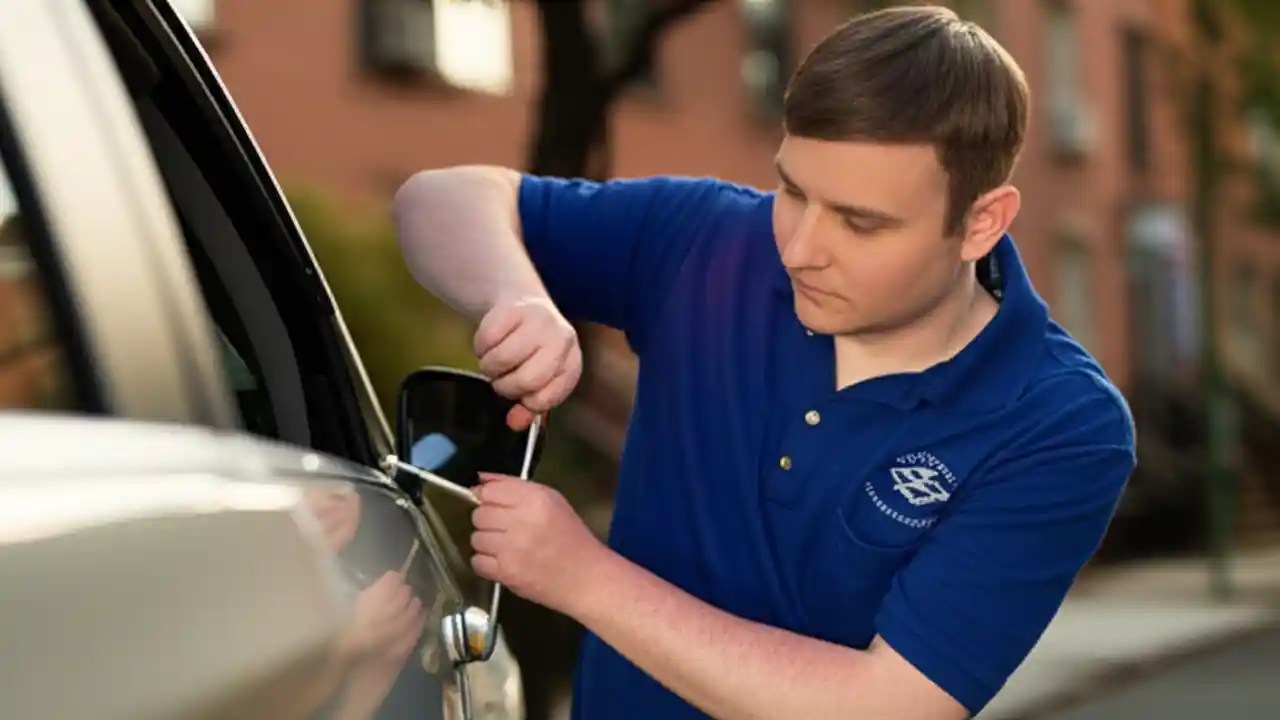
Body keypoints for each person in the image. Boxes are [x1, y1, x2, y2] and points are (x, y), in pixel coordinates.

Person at [391, 6, 1136, 719]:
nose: (801, 248)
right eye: (793, 189)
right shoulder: (707, 243)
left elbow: (888, 705)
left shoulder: (1061, 423)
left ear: (981, 222)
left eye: (860, 222)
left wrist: (582, 578)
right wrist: (519, 298)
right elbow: (439, 199)